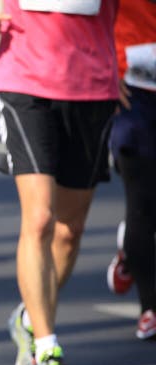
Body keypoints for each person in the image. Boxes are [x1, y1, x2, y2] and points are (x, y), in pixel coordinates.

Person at [0, 0, 120, 365]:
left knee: (69, 231)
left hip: (94, 83)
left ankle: (29, 317)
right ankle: (46, 352)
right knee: (40, 219)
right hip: (24, 79)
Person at [105, 0, 156, 341]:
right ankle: (150, 307)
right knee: (142, 204)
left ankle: (130, 251)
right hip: (131, 89)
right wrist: (103, 67)